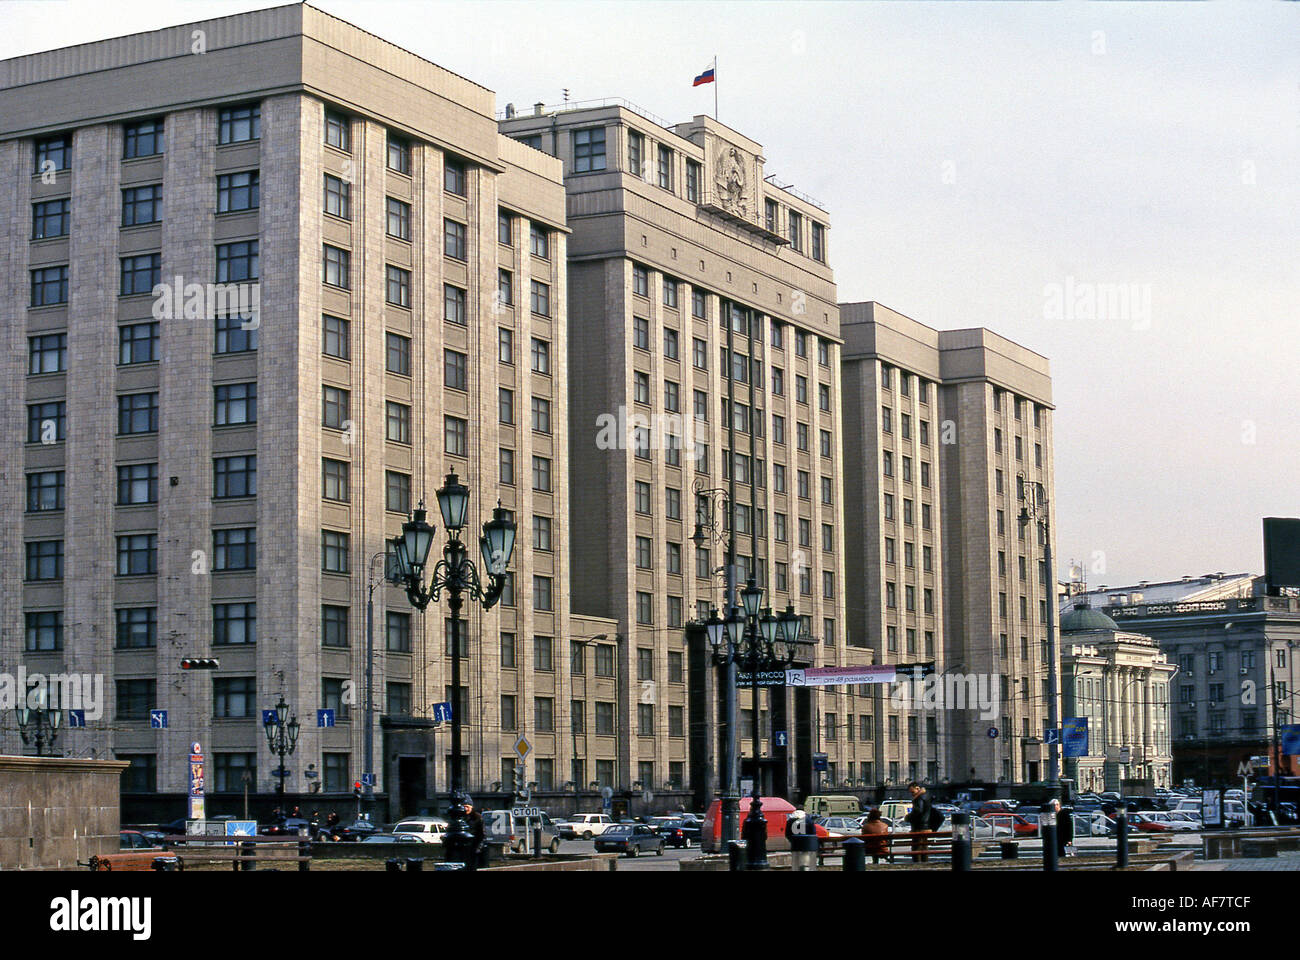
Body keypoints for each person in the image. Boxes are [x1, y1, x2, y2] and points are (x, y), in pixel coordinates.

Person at [905, 782, 933, 862]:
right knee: (924, 847)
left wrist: (908, 817)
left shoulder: (919, 798)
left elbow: (918, 811)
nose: (912, 794)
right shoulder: (925, 796)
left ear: (917, 788)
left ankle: (917, 865)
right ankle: (925, 865)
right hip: (925, 826)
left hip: (919, 827)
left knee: (916, 848)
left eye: (912, 792)